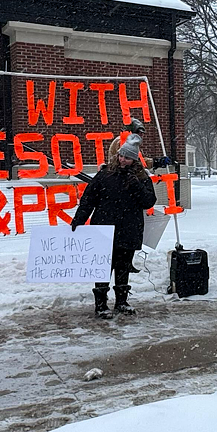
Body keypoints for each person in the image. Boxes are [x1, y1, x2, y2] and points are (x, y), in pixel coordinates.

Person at [71, 133, 157, 319]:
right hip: (104, 228)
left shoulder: (141, 177)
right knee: (103, 266)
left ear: (134, 159)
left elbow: (149, 201)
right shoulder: (105, 174)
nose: (123, 160)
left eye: (127, 157)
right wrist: (79, 218)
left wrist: (136, 186)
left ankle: (121, 301)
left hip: (129, 228)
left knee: (123, 266)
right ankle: (101, 304)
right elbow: (88, 199)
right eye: (121, 156)